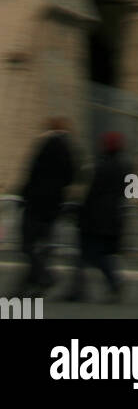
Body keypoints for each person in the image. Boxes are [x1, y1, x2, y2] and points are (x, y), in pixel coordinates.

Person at [14, 117, 78, 296]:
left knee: (27, 245)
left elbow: (33, 173)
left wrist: (23, 195)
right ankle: (28, 286)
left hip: (36, 202)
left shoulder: (46, 144)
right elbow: (71, 176)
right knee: (42, 247)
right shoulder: (69, 148)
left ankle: (44, 276)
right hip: (53, 205)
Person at [64, 132, 128, 303]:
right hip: (114, 217)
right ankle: (77, 289)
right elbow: (131, 194)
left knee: (90, 254)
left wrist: (77, 209)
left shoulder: (99, 167)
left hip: (95, 217)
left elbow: (90, 193)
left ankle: (112, 282)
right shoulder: (127, 168)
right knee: (91, 254)